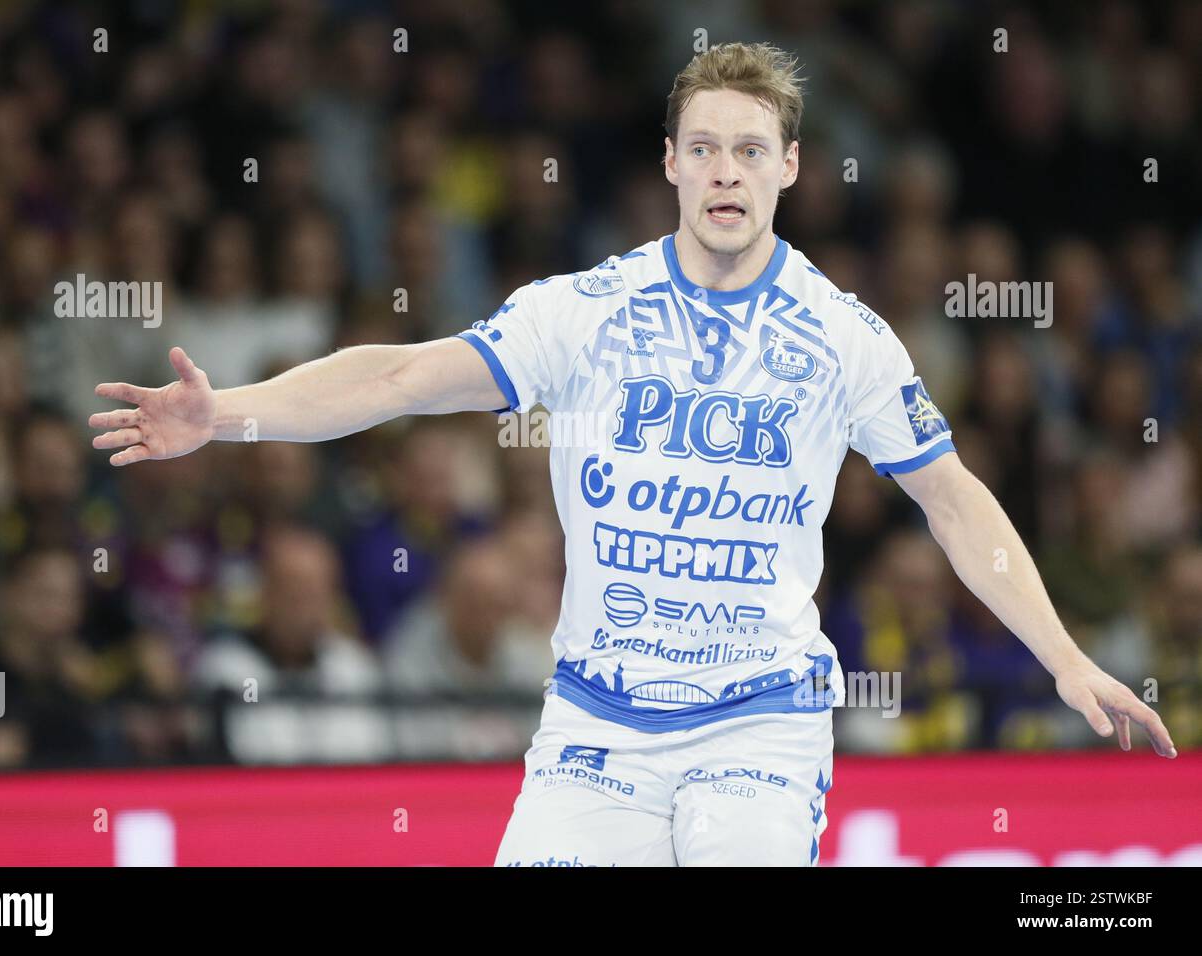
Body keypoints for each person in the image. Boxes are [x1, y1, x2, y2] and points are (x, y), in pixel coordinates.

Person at [90, 42, 1176, 867]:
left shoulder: (842, 337)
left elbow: (952, 497)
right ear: (668, 160)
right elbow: (401, 376)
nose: (724, 171)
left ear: (789, 166)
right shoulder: (586, 312)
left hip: (759, 716)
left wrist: (1065, 658)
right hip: (594, 721)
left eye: (750, 149)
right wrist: (222, 411)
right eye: (702, 146)